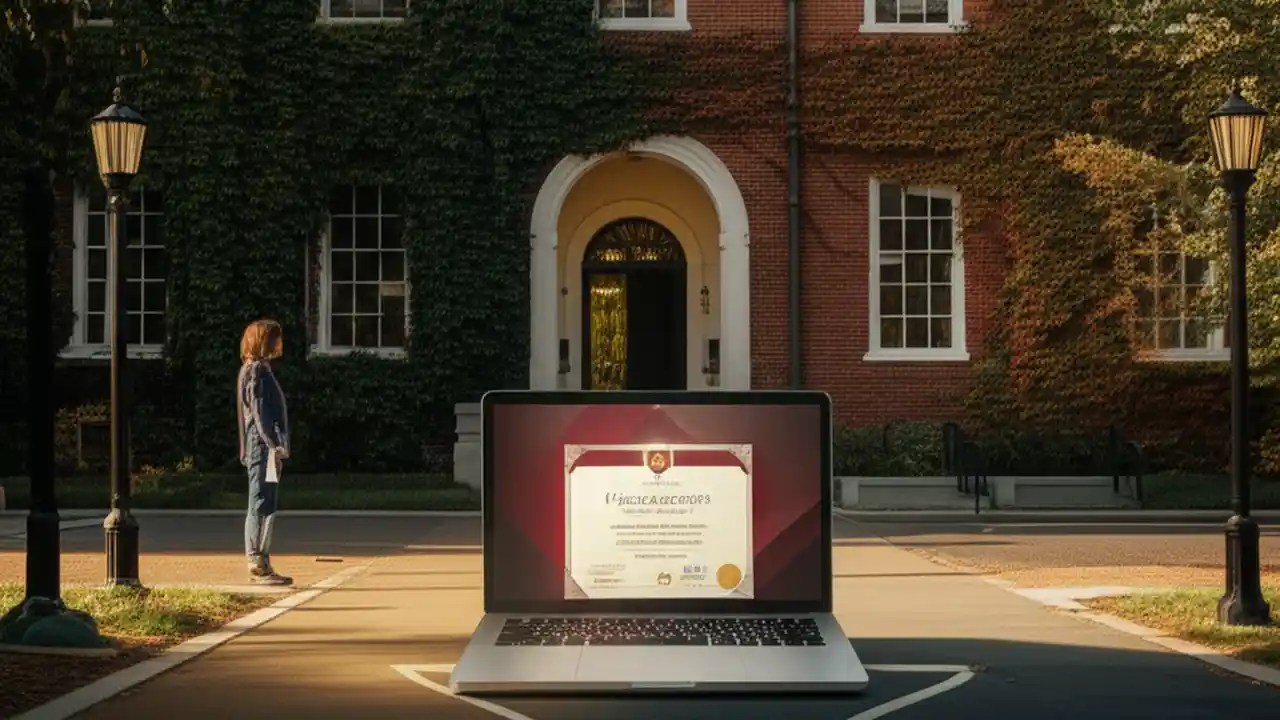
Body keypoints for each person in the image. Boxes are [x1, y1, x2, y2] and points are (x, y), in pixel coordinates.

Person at [237, 319, 293, 586]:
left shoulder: (256, 369)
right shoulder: (257, 371)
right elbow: (260, 414)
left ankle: (262, 560)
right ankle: (257, 561)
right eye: (276, 338)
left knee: (266, 500)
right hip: (262, 445)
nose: (280, 343)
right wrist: (274, 444)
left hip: (262, 444)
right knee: (260, 501)